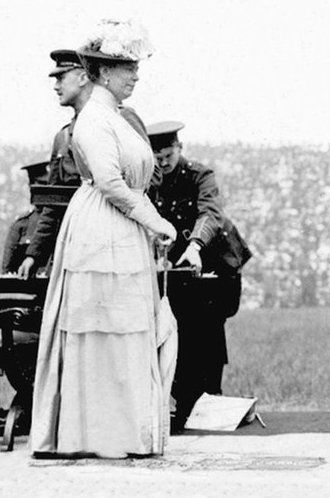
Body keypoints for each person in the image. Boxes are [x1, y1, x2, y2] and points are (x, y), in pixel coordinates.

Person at [30, 19, 177, 457]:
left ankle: (121, 429)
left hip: (120, 227)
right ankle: (94, 433)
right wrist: (155, 221)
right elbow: (111, 183)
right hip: (103, 225)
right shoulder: (94, 117)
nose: (135, 75)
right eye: (127, 68)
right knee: (103, 326)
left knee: (122, 324)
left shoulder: (113, 116)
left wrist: (146, 223)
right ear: (104, 72)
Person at [146, 120, 252, 430]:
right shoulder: (150, 180)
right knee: (180, 327)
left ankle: (209, 398)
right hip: (181, 266)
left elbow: (210, 213)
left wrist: (195, 245)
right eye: (158, 158)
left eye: (168, 156)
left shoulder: (200, 175)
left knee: (208, 329)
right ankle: (187, 400)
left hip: (217, 260)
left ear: (179, 149)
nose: (163, 164)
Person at [17, 49, 149, 278]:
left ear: (82, 77)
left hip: (116, 241)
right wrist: (33, 255)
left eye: (61, 78)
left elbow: (150, 179)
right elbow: (52, 202)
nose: (56, 86)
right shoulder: (63, 137)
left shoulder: (122, 119)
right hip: (74, 244)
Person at [2, 162, 51, 274]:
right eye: (37, 186)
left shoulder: (62, 222)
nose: (40, 191)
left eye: (45, 185)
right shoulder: (21, 224)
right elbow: (7, 272)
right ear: (30, 187)